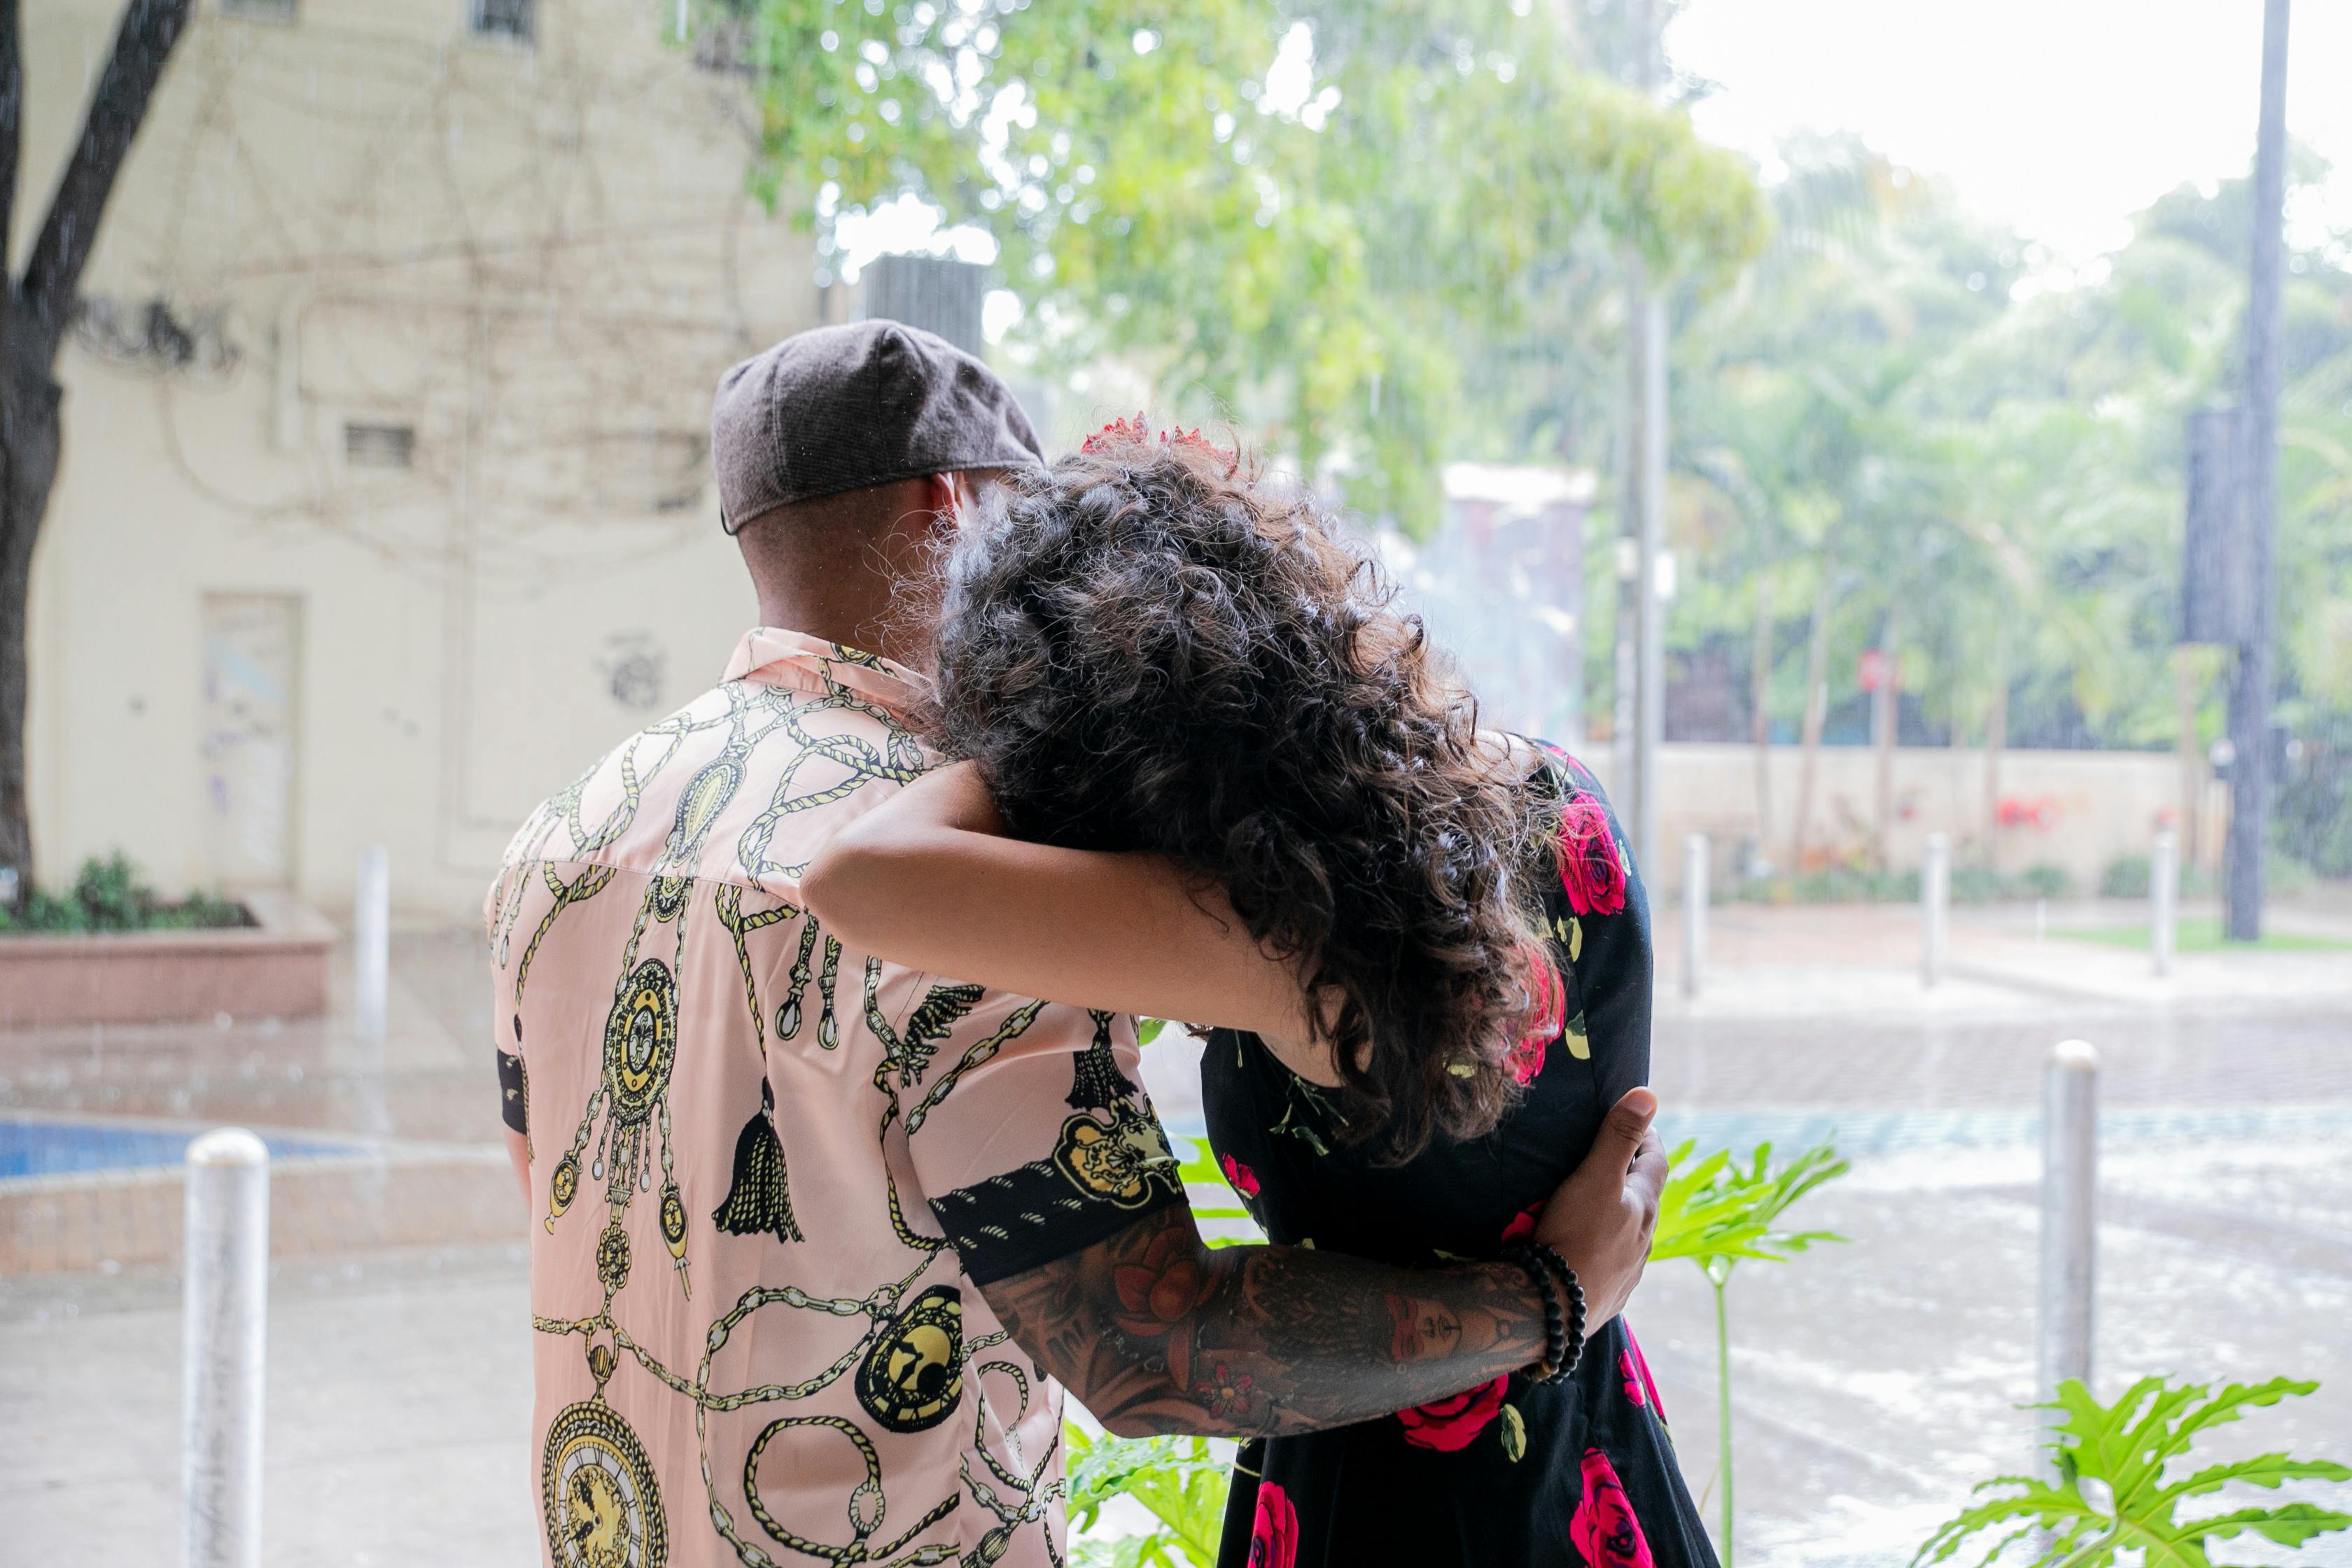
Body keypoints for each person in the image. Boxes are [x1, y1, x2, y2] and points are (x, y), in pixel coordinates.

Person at [489, 326, 1668, 1568]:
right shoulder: (1002, 889)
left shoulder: (564, 832)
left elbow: (550, 1187)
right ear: (953, 505)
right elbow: (1150, 1352)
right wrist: (1553, 1300)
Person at [802, 422, 1709, 1567]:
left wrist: (1050, 704)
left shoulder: (1286, 947)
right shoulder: (1552, 800)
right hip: (1600, 1463)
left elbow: (859, 876)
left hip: (1399, 1508)